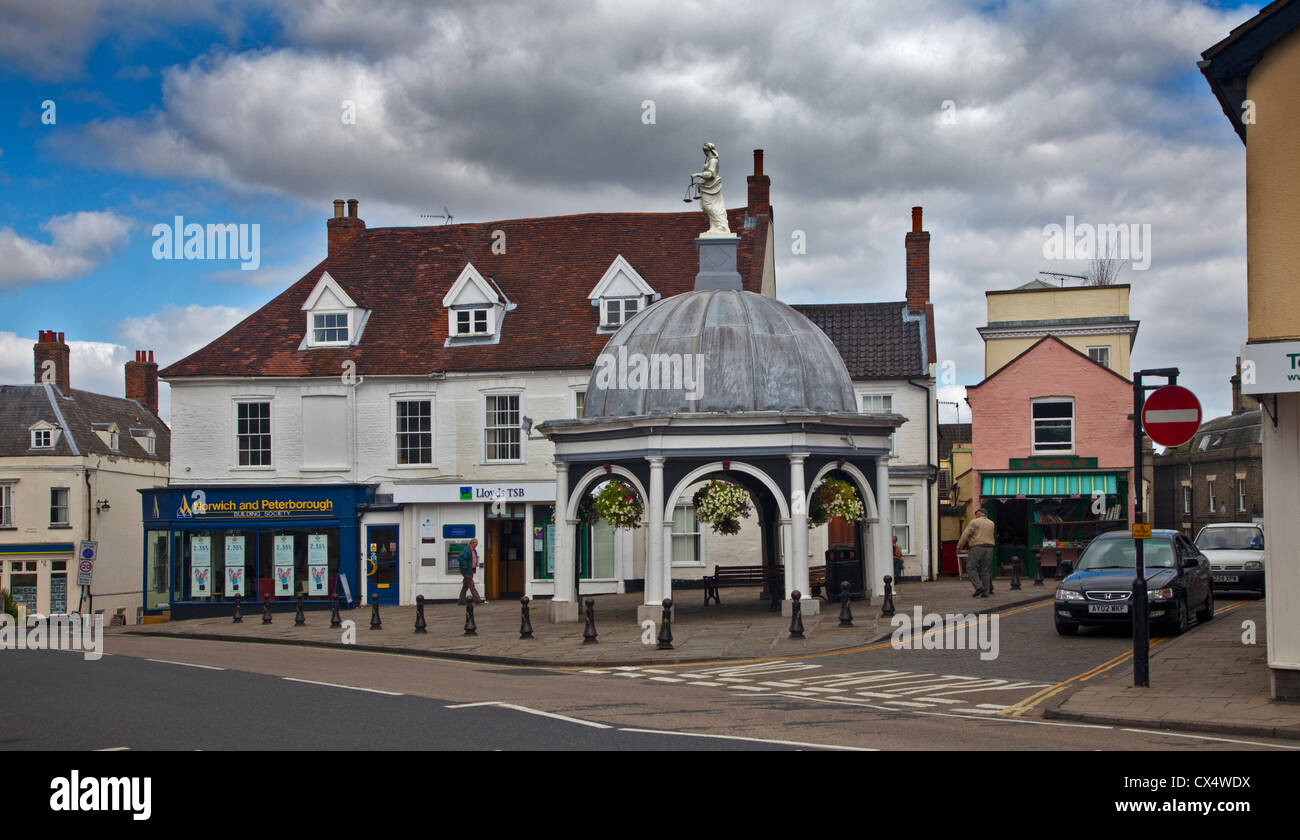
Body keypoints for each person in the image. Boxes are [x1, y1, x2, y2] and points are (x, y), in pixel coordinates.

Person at [957, 508, 996, 598]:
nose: (975, 516)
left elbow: (966, 534)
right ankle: (986, 592)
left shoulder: (974, 522)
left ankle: (978, 587)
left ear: (979, 514)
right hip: (989, 548)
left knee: (970, 567)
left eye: (976, 514)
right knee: (985, 571)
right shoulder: (991, 523)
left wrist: (959, 546)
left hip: (977, 547)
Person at [457, 538, 486, 606]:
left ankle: (461, 601)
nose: (476, 545)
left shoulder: (473, 550)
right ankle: (477, 600)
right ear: (472, 543)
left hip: (470, 570)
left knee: (465, 586)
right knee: (472, 586)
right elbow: (460, 558)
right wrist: (464, 565)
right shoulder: (466, 549)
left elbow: (474, 558)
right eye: (476, 544)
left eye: (477, 544)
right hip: (466, 570)